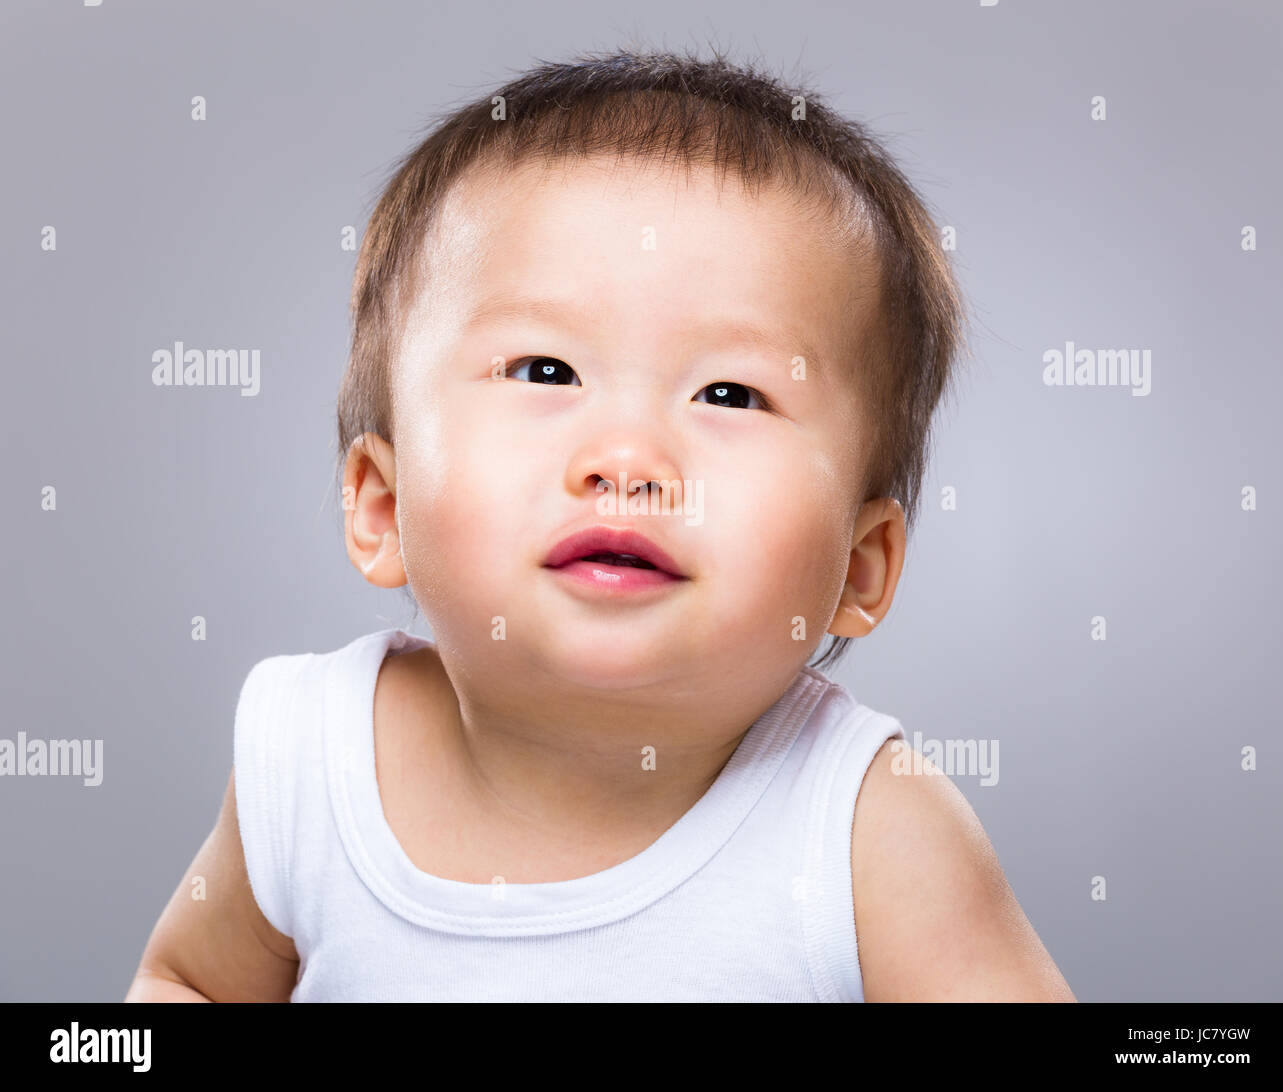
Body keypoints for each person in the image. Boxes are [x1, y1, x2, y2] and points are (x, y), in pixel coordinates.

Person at [126, 47, 1075, 1002]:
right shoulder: (310, 766)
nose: (627, 460)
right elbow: (187, 981)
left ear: (861, 568)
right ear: (382, 507)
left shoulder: (868, 829)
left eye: (731, 393)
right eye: (544, 371)